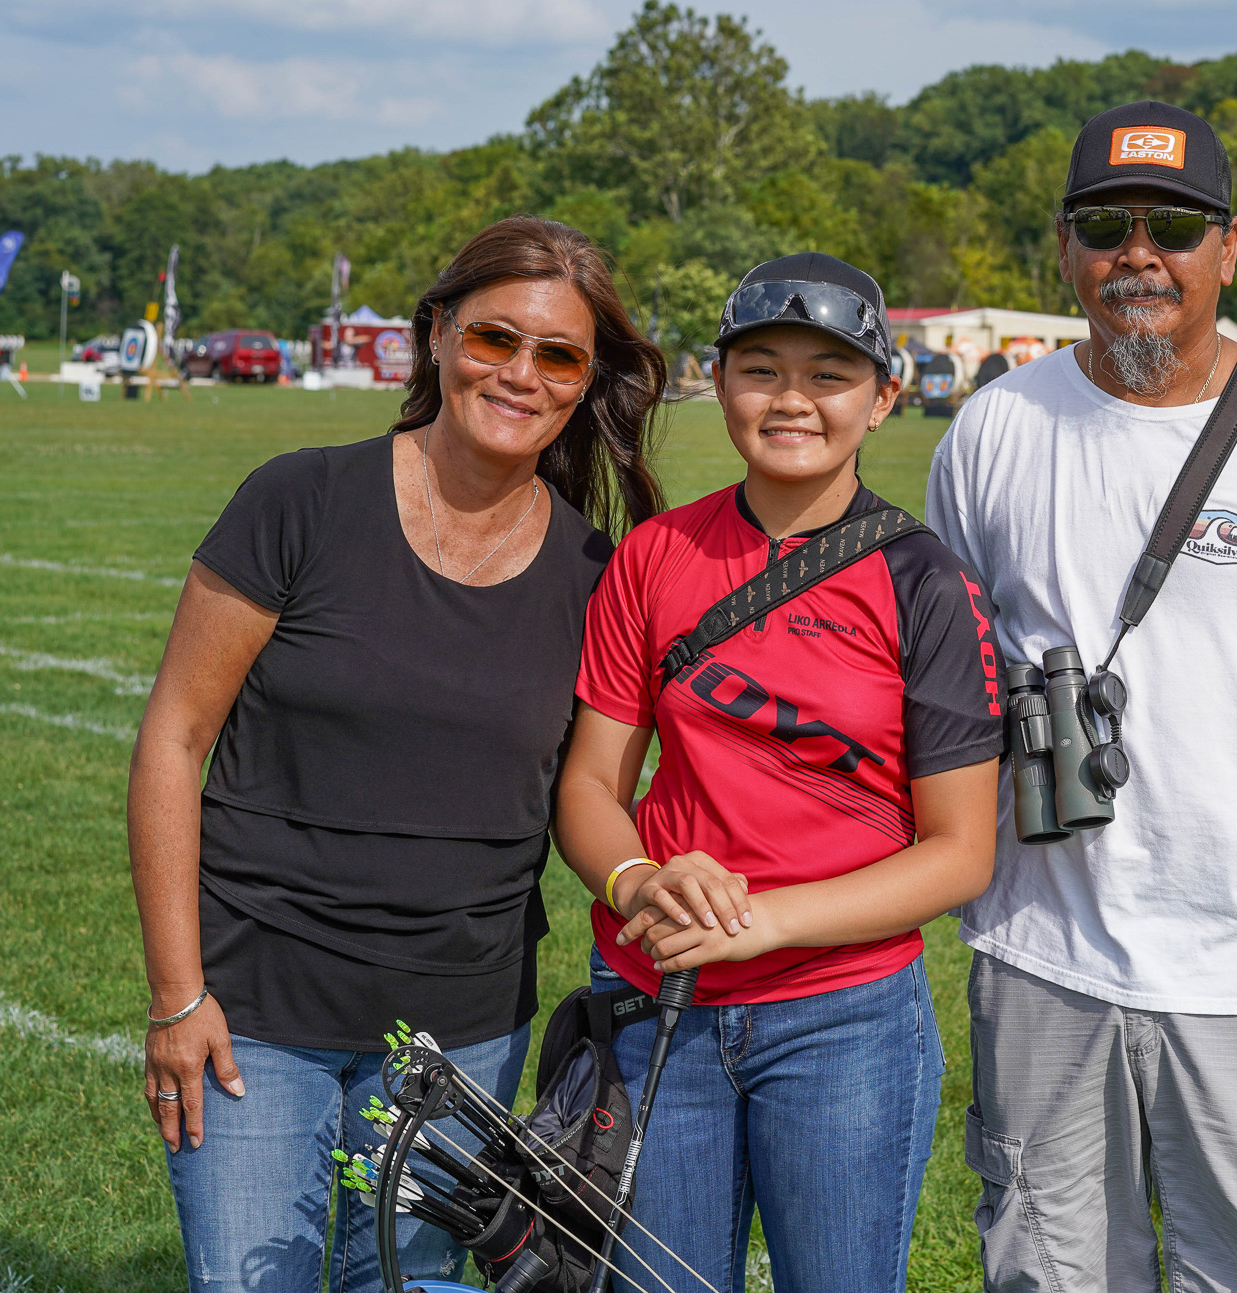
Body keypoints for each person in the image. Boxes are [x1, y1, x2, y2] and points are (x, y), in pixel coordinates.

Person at [926, 101, 1237, 1293]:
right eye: (1104, 225)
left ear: (1228, 246)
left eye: (1174, 226)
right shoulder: (997, 428)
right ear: (1064, 248)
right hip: (1042, 957)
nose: (1136, 254)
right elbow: (952, 678)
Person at [129, 216, 666, 1293]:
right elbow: (172, 741)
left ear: (585, 380)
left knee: (409, 1285)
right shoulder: (300, 499)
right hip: (254, 1015)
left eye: (556, 355)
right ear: (435, 336)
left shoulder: (595, 571)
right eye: (491, 339)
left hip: (458, 1035)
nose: (519, 373)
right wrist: (178, 996)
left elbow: (587, 795)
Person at [556, 252, 1003, 1293]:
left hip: (843, 1022)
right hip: (654, 1001)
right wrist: (636, 882)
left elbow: (959, 852)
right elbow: (588, 789)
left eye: (828, 374)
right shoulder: (655, 554)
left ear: (882, 397)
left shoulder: (924, 582)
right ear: (718, 383)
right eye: (760, 369)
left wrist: (771, 920)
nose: (791, 399)